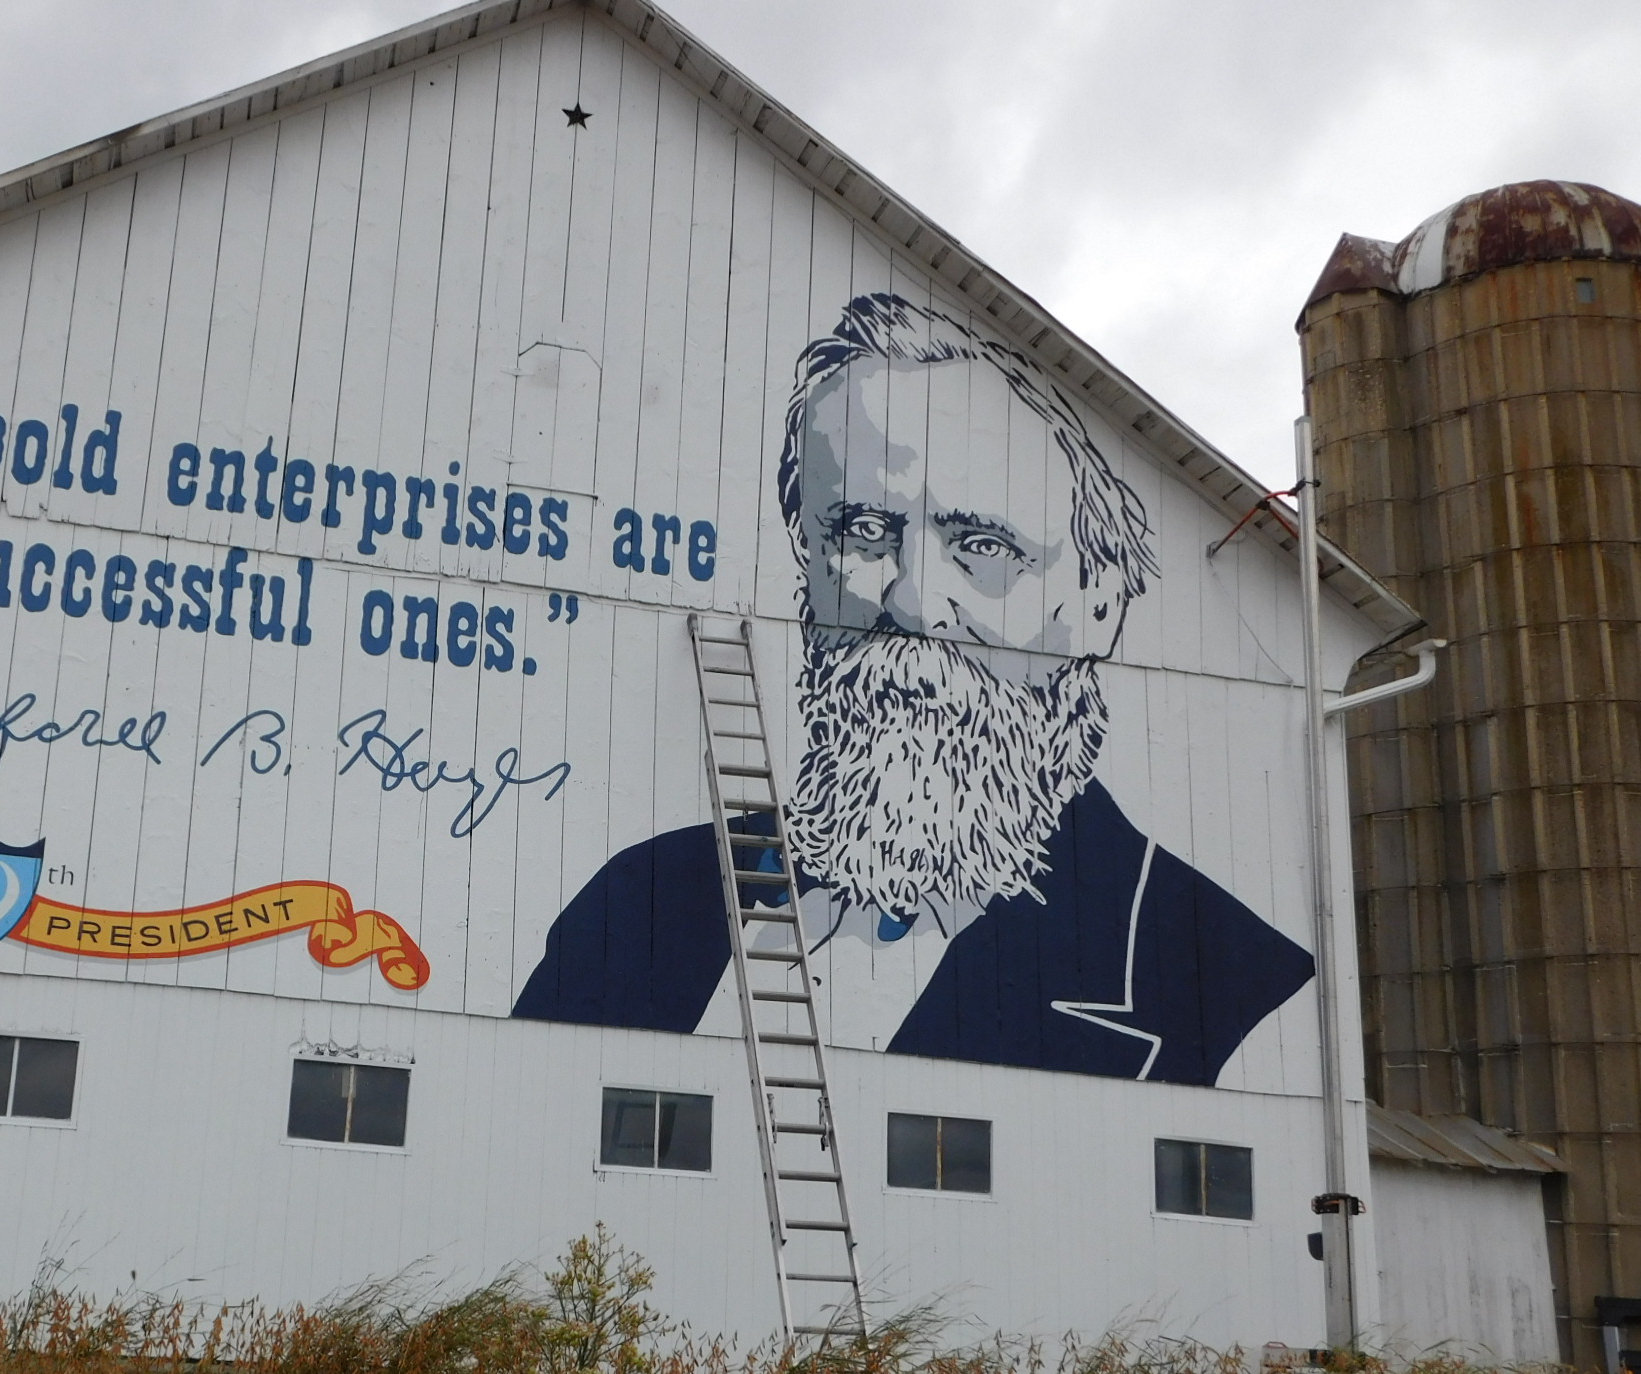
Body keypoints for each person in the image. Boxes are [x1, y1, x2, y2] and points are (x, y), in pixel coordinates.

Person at [512, 293, 1313, 1087]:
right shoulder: (638, 904)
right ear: (806, 557)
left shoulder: (1233, 982)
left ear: (1099, 603)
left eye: (985, 545)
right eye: (864, 532)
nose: (914, 604)